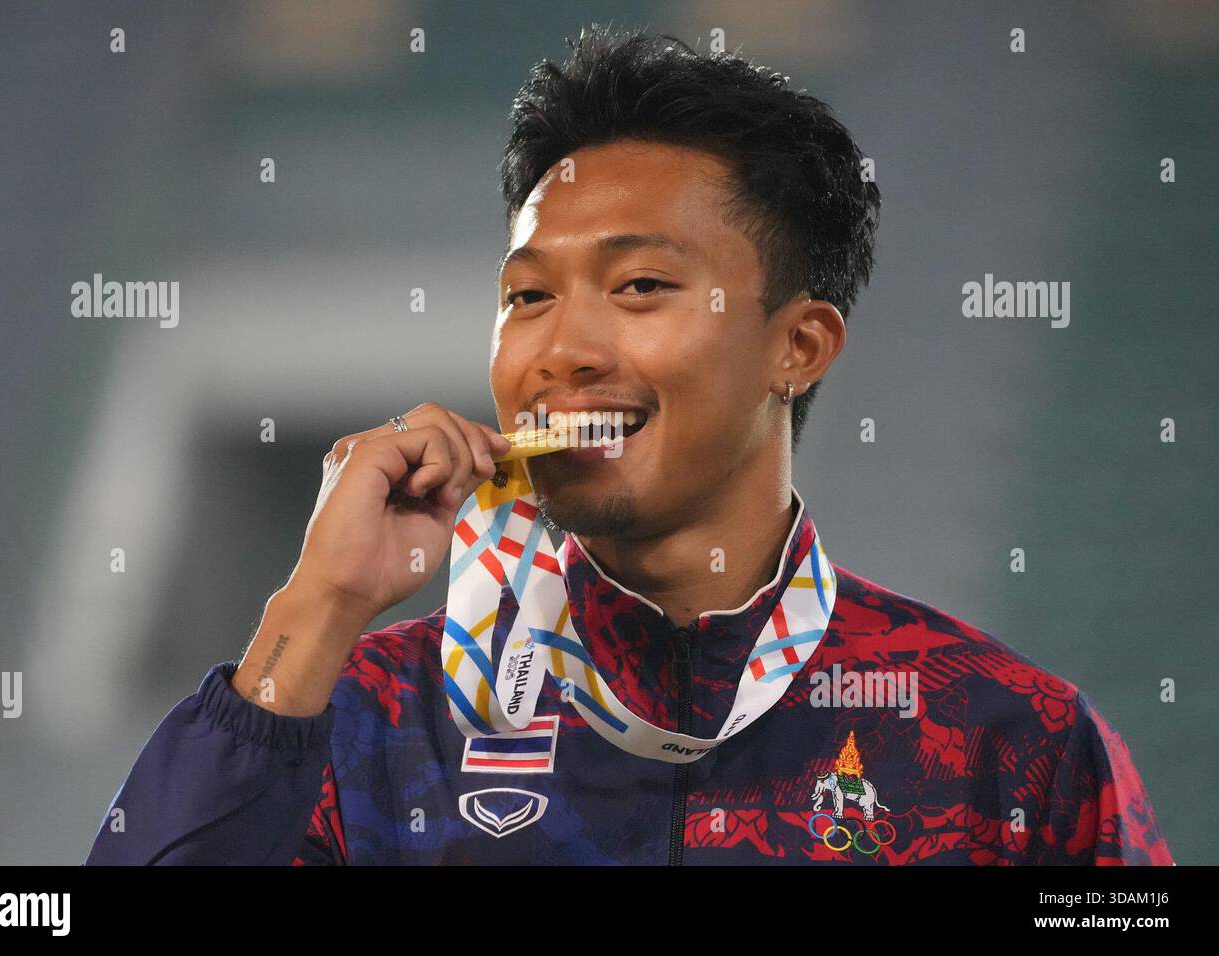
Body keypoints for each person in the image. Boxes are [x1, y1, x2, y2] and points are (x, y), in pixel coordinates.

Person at [85, 25, 1172, 865]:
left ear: (797, 344)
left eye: (641, 285)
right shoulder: (369, 717)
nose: (562, 348)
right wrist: (315, 604)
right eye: (527, 296)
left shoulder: (1001, 742)